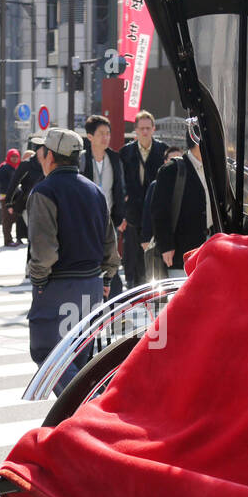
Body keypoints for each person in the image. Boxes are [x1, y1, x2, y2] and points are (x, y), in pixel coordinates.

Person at [26, 128, 120, 390]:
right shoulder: (95, 190)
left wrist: (39, 280)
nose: (38, 156)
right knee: (78, 358)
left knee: (49, 356)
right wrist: (109, 276)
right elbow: (109, 243)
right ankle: (89, 413)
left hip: (58, 285)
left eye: (41, 151)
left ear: (50, 156)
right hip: (91, 284)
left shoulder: (44, 191)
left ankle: (89, 410)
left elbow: (44, 251)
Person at [149, 136, 217, 276]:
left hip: (211, 252)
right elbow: (159, 211)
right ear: (198, 141)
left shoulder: (216, 170)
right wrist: (166, 245)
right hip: (180, 254)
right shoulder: (171, 170)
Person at [81, 114, 127, 296]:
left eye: (108, 133)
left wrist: (121, 216)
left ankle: (113, 297)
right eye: (101, 133)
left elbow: (120, 189)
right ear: (90, 137)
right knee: (91, 260)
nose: (106, 137)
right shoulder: (83, 160)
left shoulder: (114, 159)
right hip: (87, 221)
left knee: (111, 260)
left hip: (109, 221)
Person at [120, 110, 168, 286]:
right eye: (142, 128)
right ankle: (134, 286)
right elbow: (121, 185)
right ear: (136, 130)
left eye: (148, 128)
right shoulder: (125, 153)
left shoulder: (162, 150)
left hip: (155, 210)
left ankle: (154, 288)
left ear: (153, 129)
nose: (145, 132)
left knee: (154, 254)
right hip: (133, 212)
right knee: (133, 255)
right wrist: (122, 213)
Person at [0, 148, 22, 244]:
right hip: (6, 196)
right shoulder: (4, 167)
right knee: (7, 218)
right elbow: (1, 182)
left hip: (14, 195)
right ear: (8, 157)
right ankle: (7, 240)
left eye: (16, 156)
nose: (15, 158)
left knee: (13, 217)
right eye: (13, 156)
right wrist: (3, 195)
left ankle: (10, 238)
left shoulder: (15, 167)